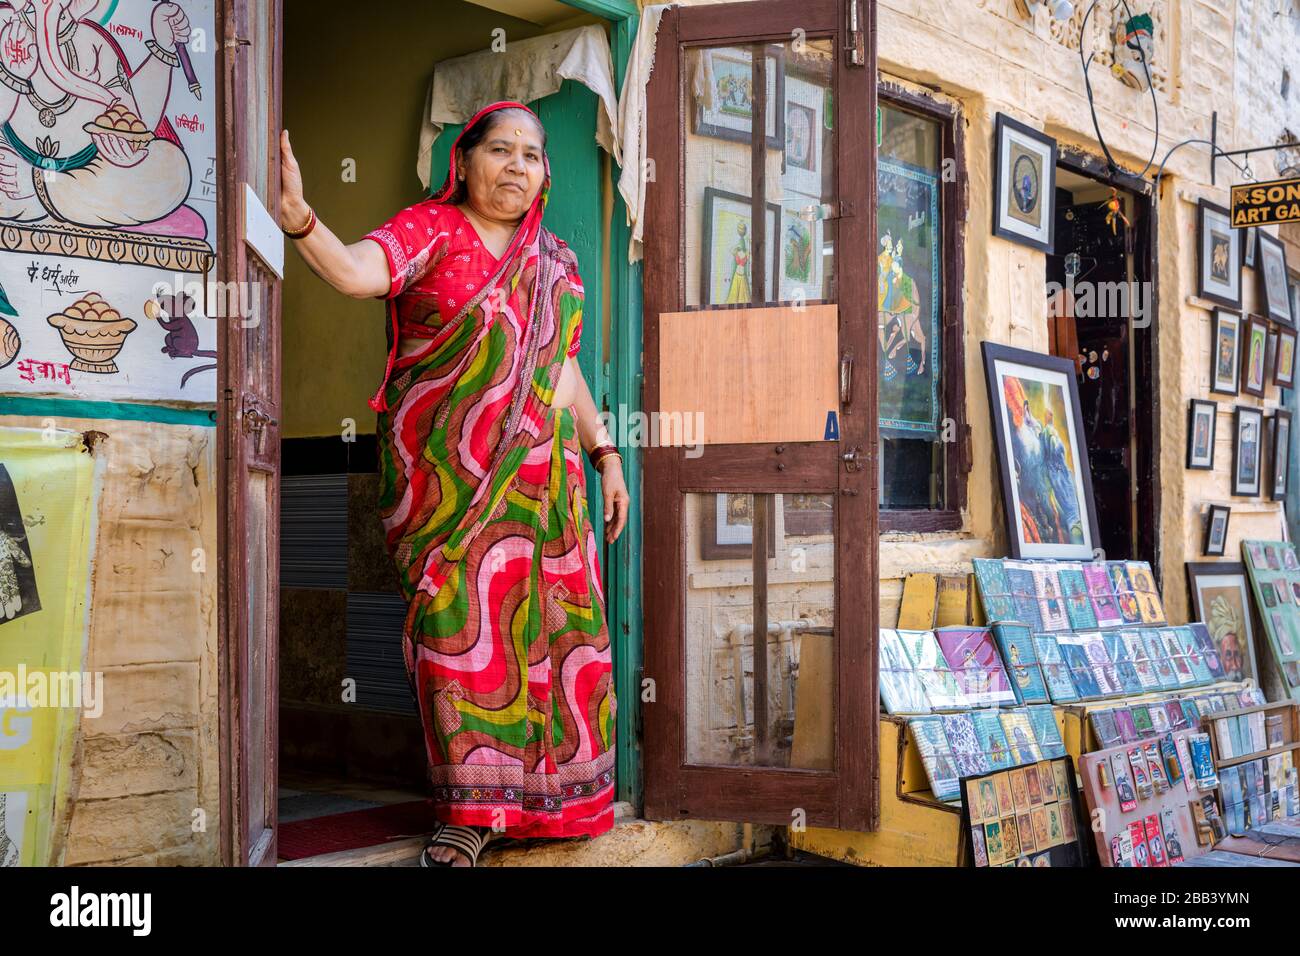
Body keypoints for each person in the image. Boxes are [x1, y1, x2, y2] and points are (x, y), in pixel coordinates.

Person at [278, 100, 630, 867]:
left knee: (557, 643)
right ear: (462, 162)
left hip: (546, 488)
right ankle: (469, 812)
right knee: (458, 637)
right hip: (448, 492)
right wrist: (303, 221)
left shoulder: (556, 261)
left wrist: (606, 453)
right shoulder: (427, 230)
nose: (516, 166)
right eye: (498, 151)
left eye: (531, 155)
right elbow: (355, 274)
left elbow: (560, 369)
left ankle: (550, 805)